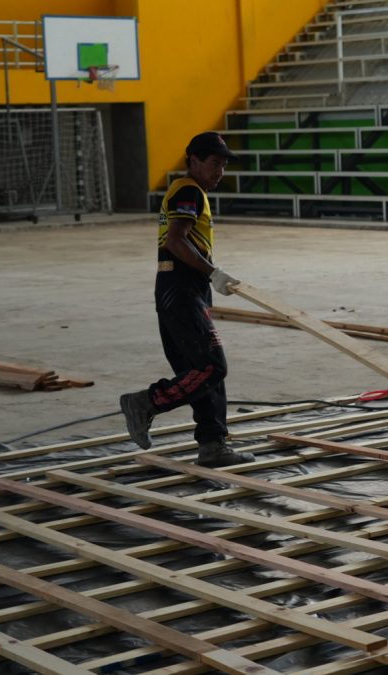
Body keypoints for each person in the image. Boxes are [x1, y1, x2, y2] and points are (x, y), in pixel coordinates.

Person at [119, 132, 253, 468]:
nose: (220, 171)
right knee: (212, 366)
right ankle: (146, 402)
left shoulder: (189, 191)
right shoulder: (189, 190)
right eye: (214, 163)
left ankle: (212, 445)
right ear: (193, 160)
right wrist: (212, 272)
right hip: (181, 287)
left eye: (223, 165)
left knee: (200, 370)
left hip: (177, 286)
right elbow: (178, 241)